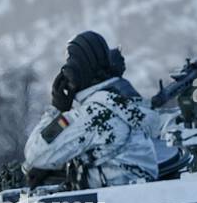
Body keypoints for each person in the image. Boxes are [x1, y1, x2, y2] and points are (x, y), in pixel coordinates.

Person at [23, 30, 166, 188]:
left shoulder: (94, 115)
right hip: (135, 196)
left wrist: (56, 110)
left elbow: (35, 154)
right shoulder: (125, 105)